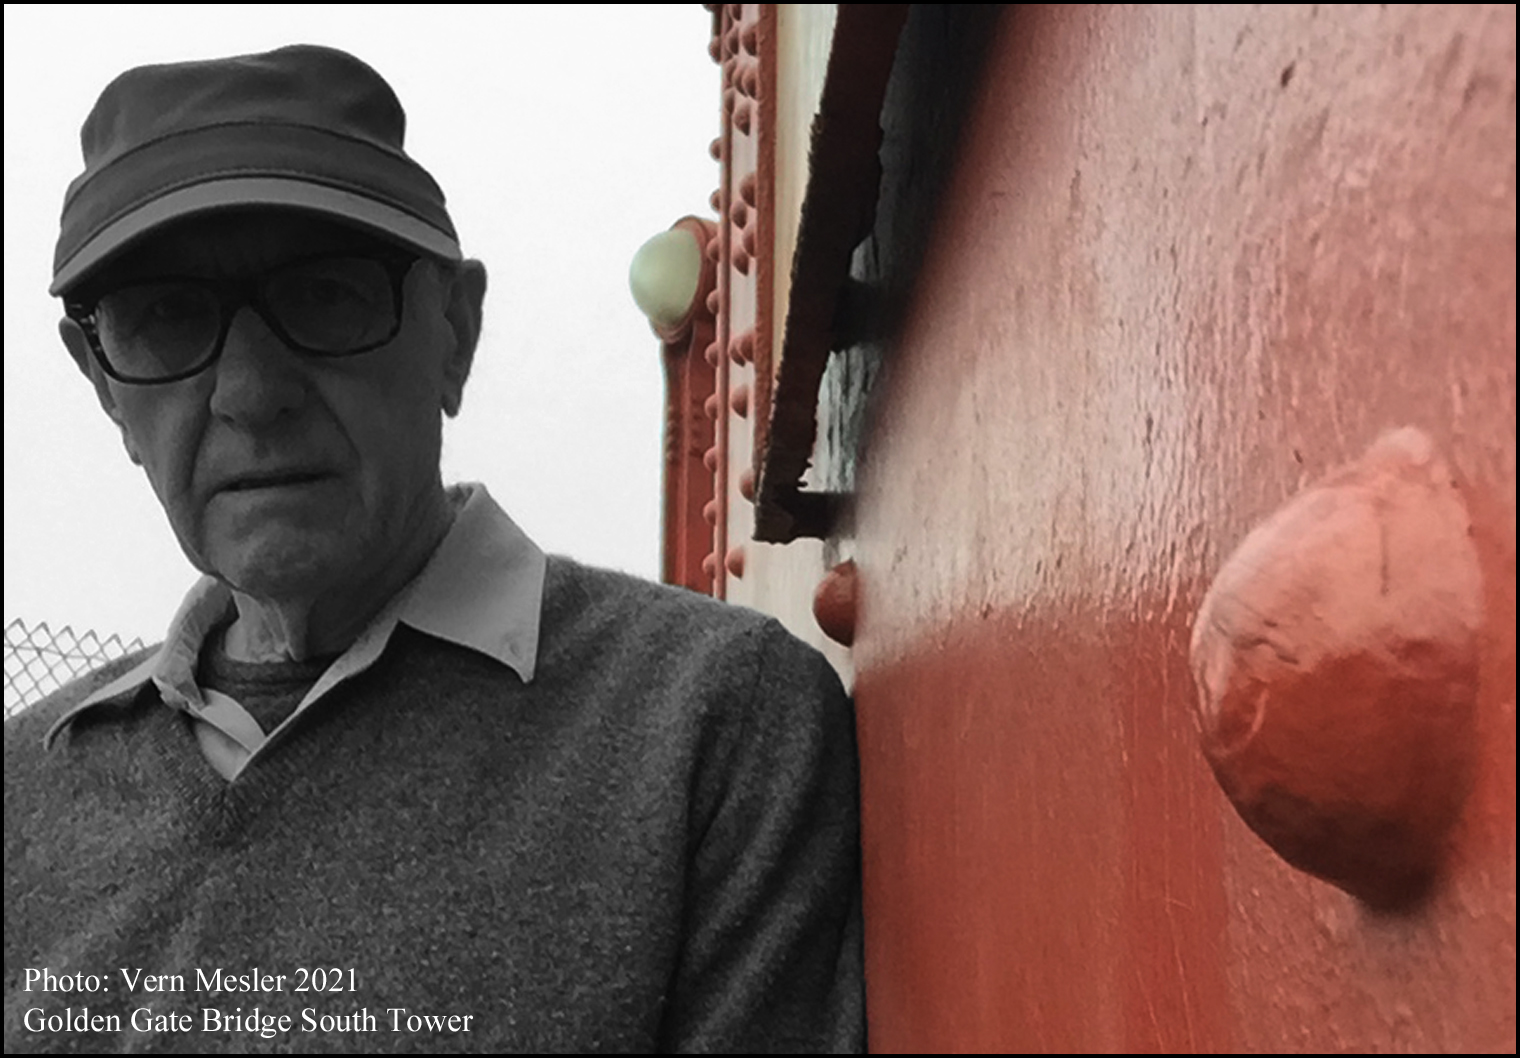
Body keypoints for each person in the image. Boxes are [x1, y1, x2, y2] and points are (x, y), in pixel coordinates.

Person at [4, 44, 864, 1053]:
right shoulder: (26, 788)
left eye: (326, 295)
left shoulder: (710, 720)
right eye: (163, 320)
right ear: (103, 383)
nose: (248, 391)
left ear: (454, 332)